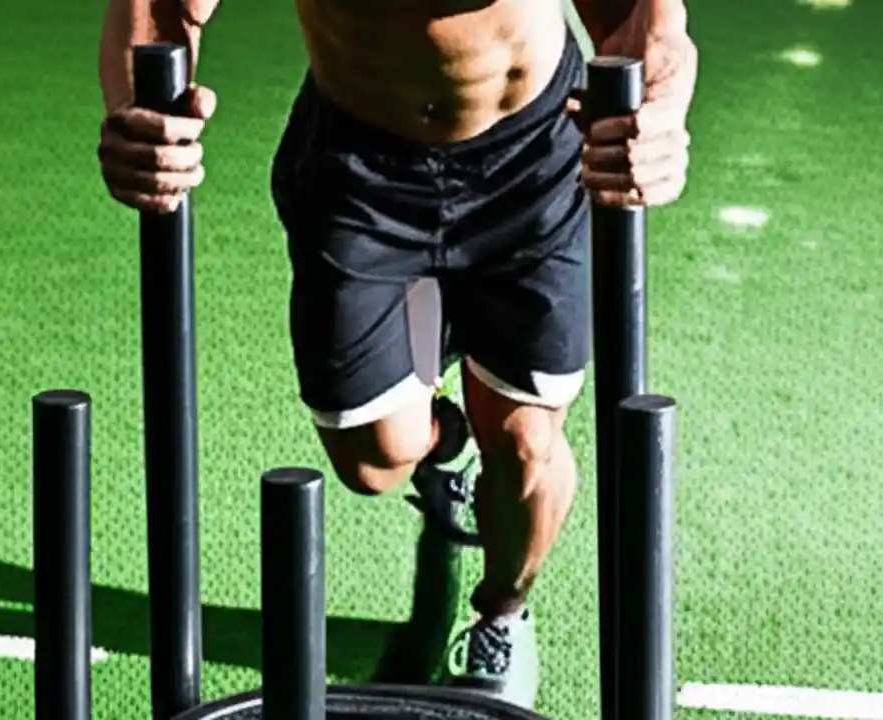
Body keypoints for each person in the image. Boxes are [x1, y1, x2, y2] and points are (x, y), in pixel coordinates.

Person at [97, 0, 697, 709]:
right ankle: (446, 440)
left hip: (531, 160)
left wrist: (660, 114)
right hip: (361, 170)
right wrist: (137, 116)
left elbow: (640, 17)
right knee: (376, 461)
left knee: (525, 442)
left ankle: (501, 612)